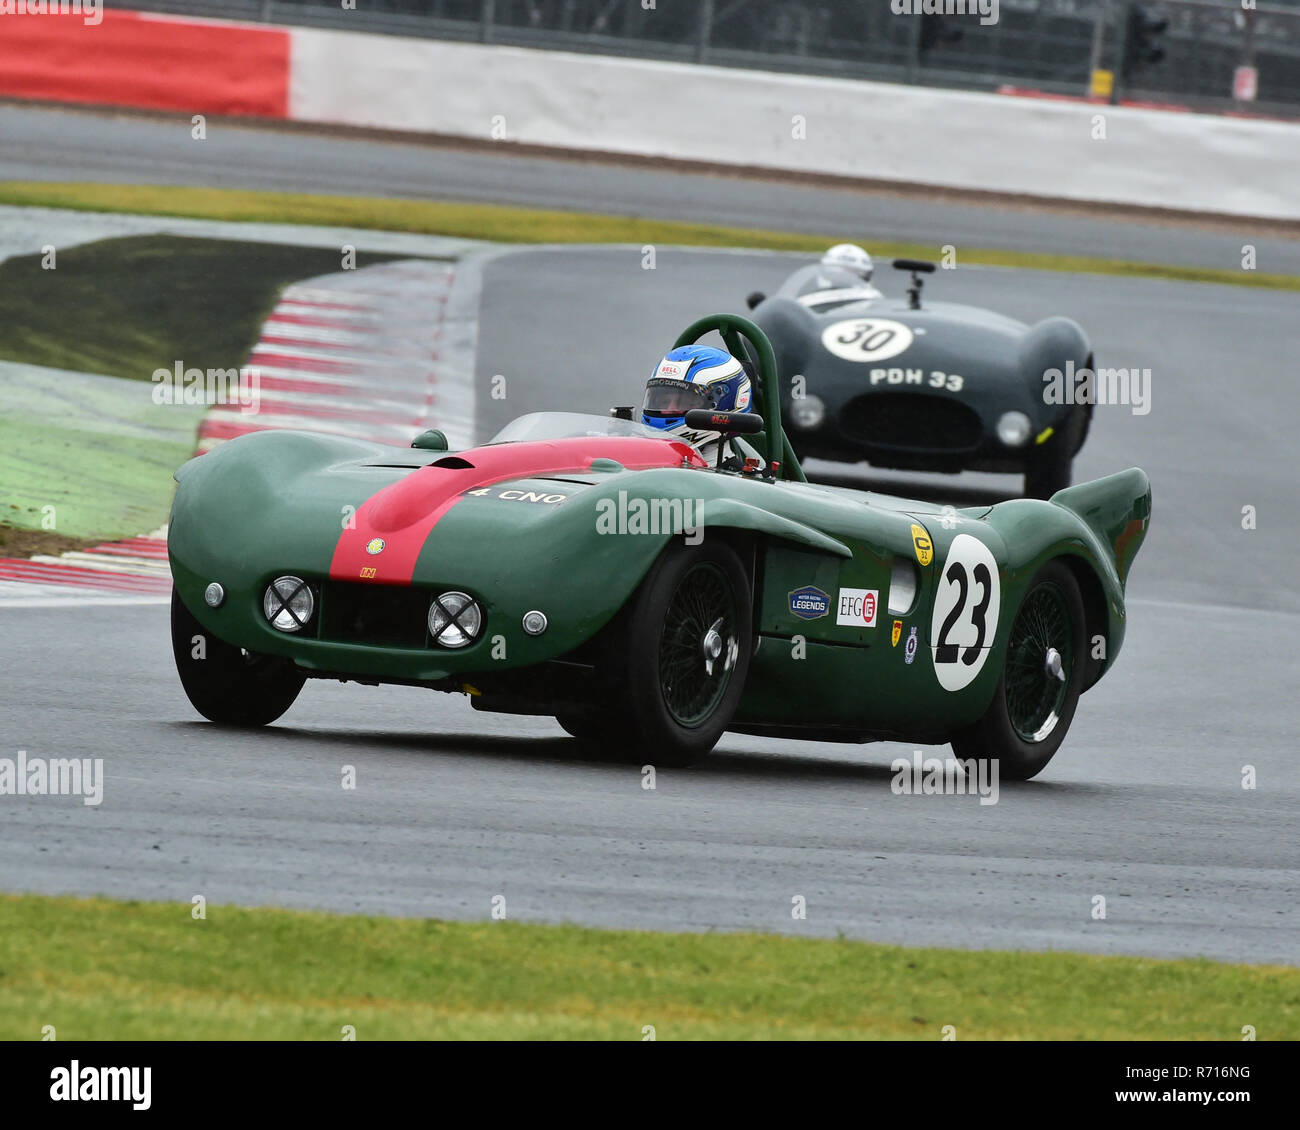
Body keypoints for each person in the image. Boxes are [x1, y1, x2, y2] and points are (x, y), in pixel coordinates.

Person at [639, 344, 753, 465]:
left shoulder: (739, 481)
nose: (667, 411)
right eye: (662, 401)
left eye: (686, 402)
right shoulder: (636, 462)